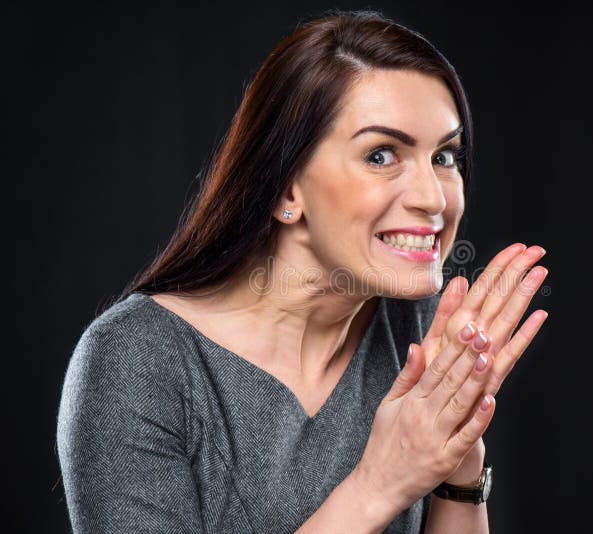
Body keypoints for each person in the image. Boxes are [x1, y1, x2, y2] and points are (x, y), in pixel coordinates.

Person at [56, 9, 549, 533]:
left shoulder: (424, 328)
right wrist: (381, 483)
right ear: (287, 188)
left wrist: (458, 461)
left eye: (445, 156)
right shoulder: (138, 362)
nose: (434, 198)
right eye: (381, 155)